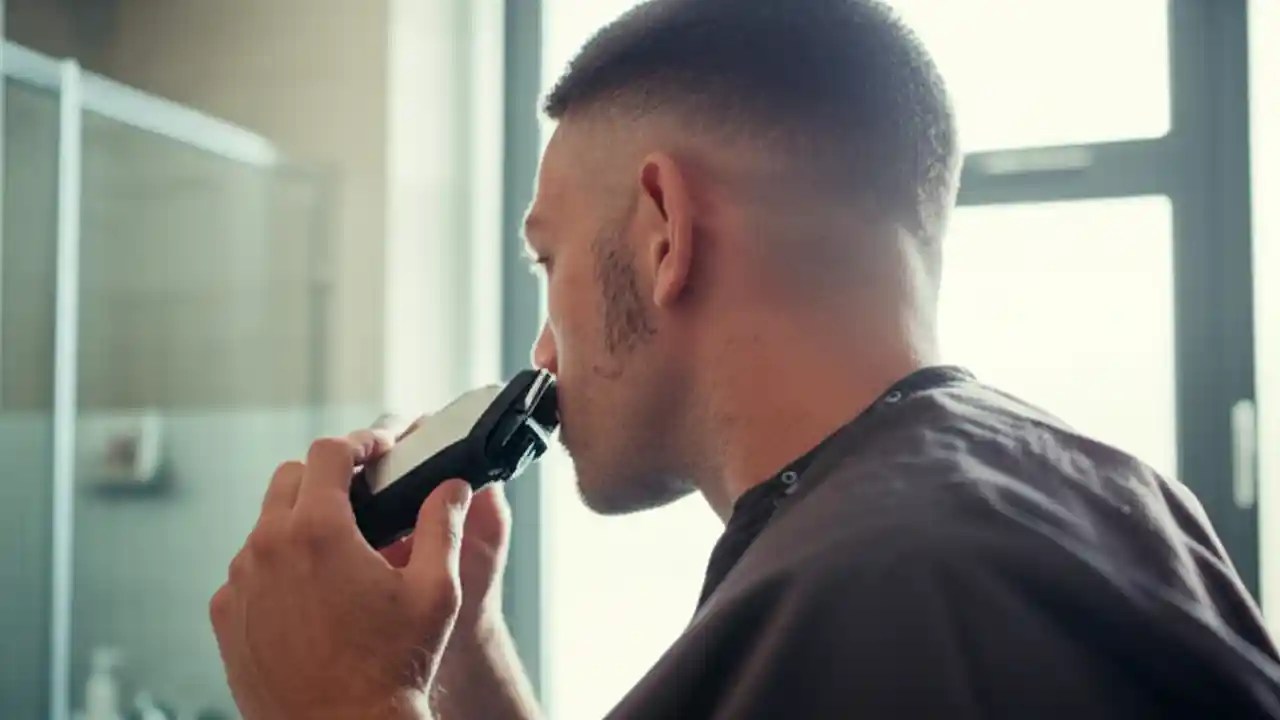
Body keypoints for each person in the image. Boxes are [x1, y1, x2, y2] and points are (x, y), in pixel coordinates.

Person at [209, 0, 1280, 717]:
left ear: (663, 230)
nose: (541, 348)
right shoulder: (1099, 500)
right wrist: (459, 655)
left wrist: (335, 705)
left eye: (548, 262)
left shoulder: (881, 593)